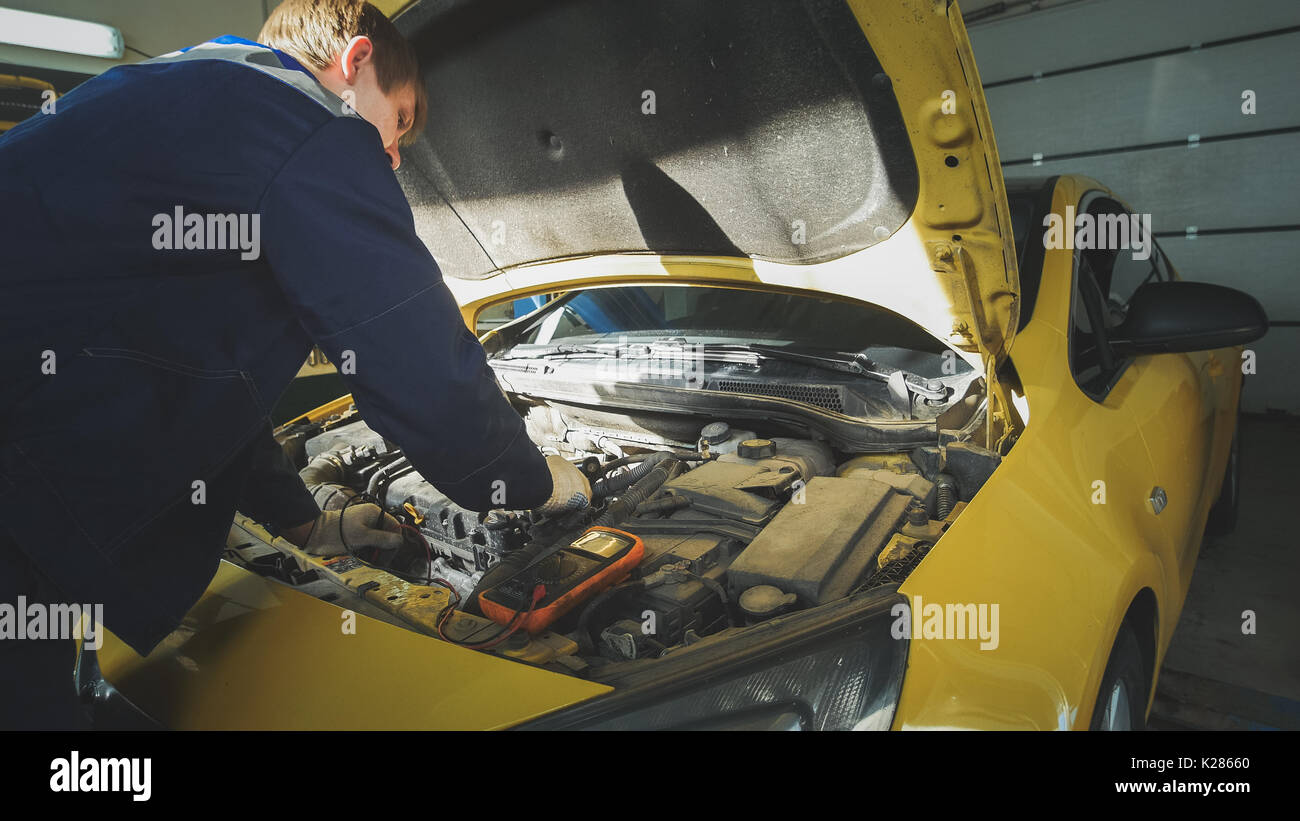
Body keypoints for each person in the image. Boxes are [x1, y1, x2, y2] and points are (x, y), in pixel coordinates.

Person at [0, 0, 589, 729]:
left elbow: (196, 373)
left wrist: (305, 524)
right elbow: (415, 359)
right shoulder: (308, 123)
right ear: (357, 61)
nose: (396, 155)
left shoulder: (190, 89)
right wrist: (530, 480)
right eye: (400, 119)